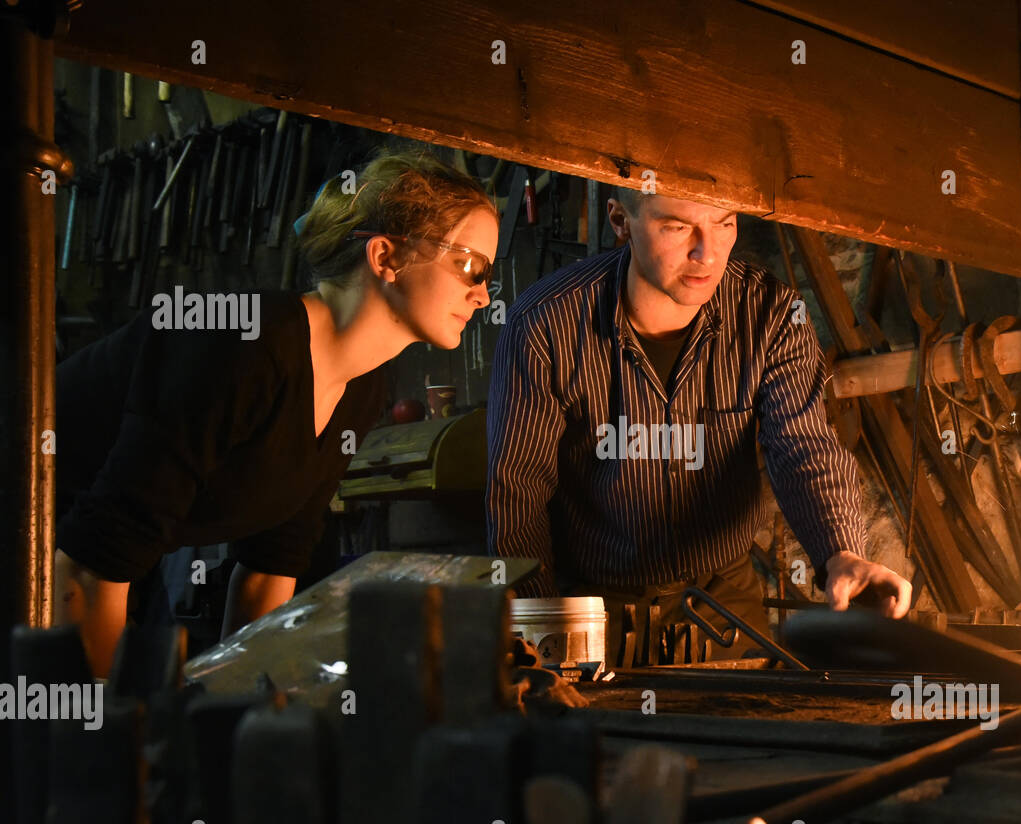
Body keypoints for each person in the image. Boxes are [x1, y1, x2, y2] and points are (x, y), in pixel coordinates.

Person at [54, 150, 499, 676]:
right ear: (385, 258)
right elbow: (91, 566)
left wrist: (246, 709)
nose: (482, 295)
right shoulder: (242, 345)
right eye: (470, 264)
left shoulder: (361, 387)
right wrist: (99, 735)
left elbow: (269, 569)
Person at [486, 186, 910, 654]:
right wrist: (534, 631)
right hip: (592, 606)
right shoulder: (545, 322)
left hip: (722, 604)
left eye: (724, 223)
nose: (707, 253)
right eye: (677, 226)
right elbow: (519, 489)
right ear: (620, 220)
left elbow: (803, 446)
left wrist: (841, 552)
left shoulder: (770, 314)